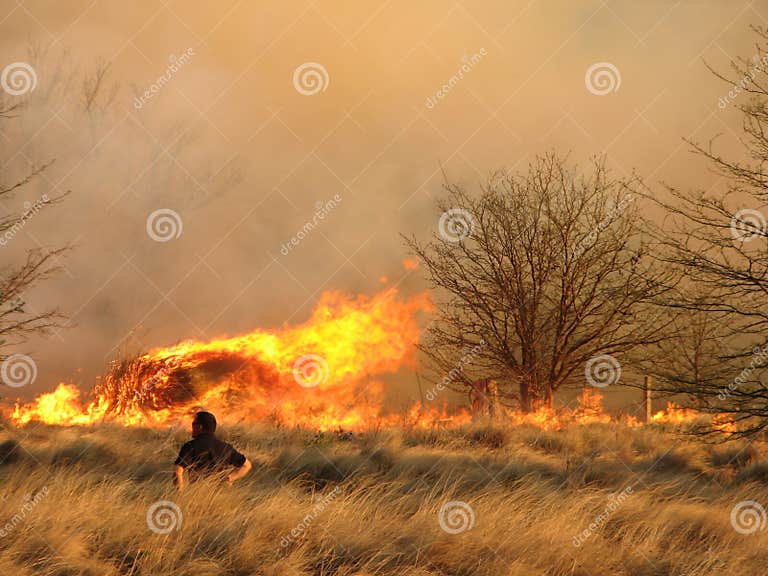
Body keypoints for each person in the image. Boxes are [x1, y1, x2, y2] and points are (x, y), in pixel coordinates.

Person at [173, 411, 252, 490]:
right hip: (222, 496)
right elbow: (246, 465)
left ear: (200, 427)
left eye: (193, 424)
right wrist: (230, 478)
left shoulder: (190, 446)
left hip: (198, 495)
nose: (192, 427)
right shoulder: (226, 447)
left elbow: (177, 471)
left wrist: (180, 492)